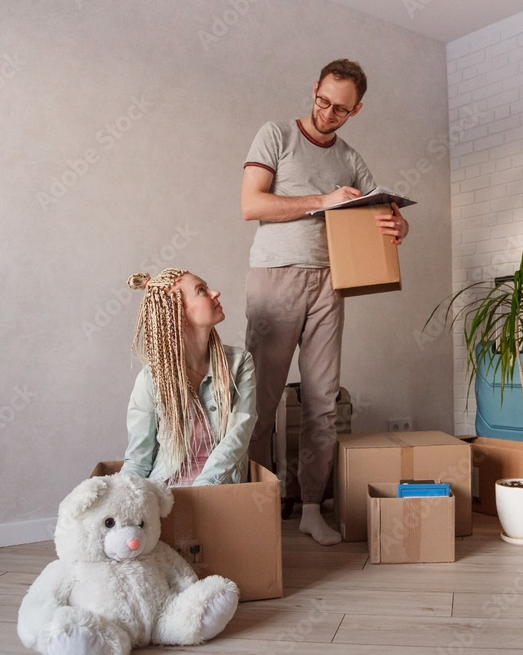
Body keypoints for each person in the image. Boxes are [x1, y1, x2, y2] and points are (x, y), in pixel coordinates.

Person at [241, 59, 409, 545]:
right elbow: (251, 204)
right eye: (323, 101)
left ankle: (312, 507)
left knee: (321, 403)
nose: (328, 113)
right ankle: (255, 507)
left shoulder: (352, 159)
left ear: (356, 110)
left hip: (331, 283)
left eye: (341, 109)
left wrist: (399, 226)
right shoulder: (276, 135)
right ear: (314, 88)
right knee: (261, 401)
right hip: (276, 276)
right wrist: (322, 201)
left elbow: (383, 211)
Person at [121, 268, 257, 486]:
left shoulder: (240, 363)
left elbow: (238, 435)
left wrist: (201, 494)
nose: (216, 293)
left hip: (221, 491)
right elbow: (138, 460)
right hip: (166, 493)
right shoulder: (151, 379)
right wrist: (119, 501)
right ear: (177, 313)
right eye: (202, 290)